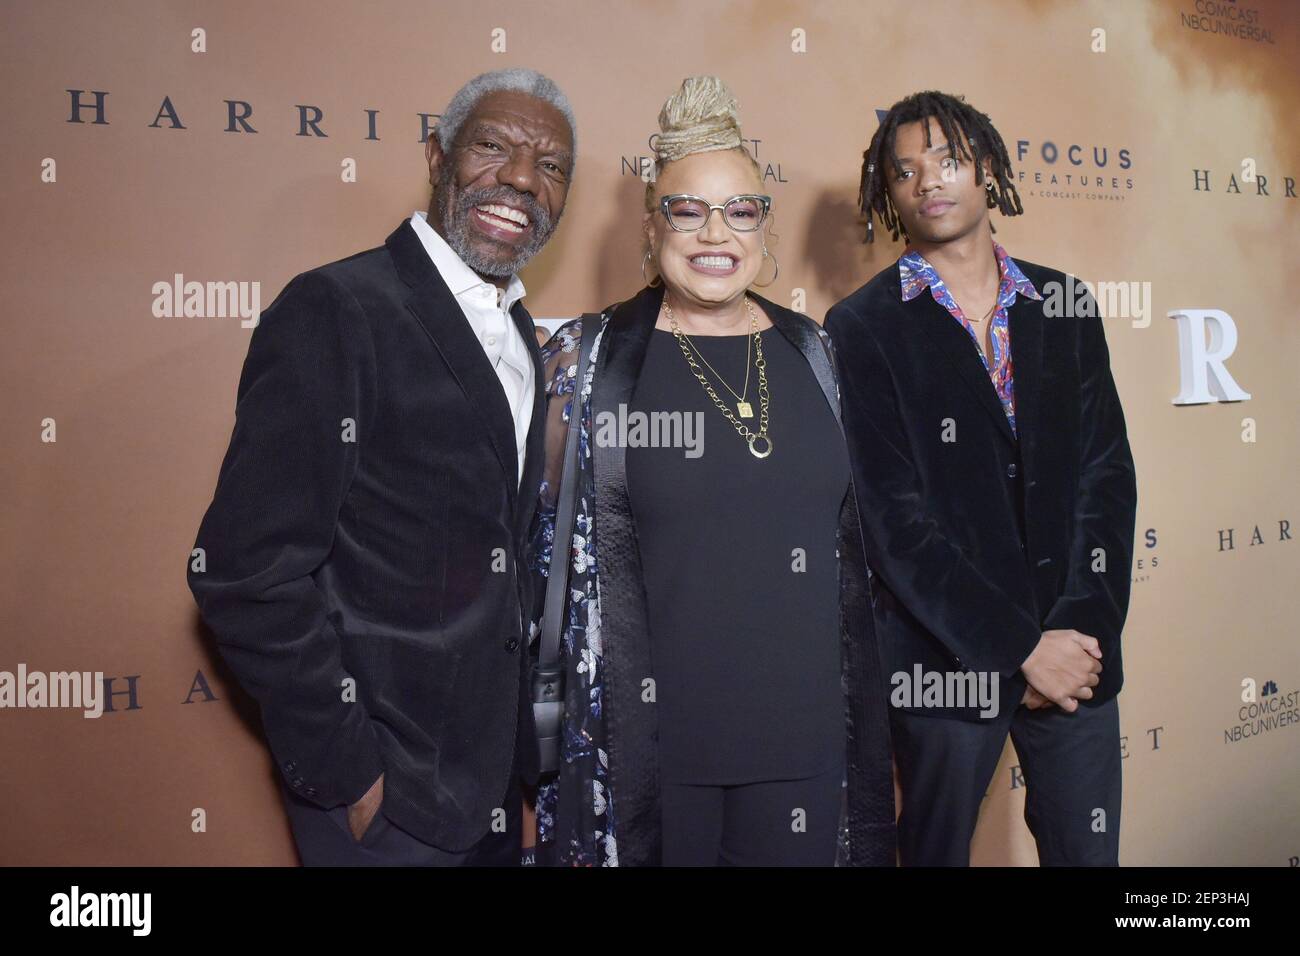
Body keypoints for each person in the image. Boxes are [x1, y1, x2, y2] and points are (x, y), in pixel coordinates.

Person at [186, 68, 576, 865]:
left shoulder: (521, 331)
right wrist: (350, 775)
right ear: (437, 156)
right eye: (492, 147)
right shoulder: (338, 308)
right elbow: (244, 571)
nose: (521, 180)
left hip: (489, 789)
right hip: (386, 800)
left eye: (552, 166)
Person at [527, 76, 896, 867]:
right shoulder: (586, 362)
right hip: (652, 754)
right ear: (653, 226)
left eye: (740, 210)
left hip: (805, 746)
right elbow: (536, 557)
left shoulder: (819, 354)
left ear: (765, 226)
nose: (714, 233)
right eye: (687, 210)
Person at [825, 90, 1137, 865]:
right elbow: (893, 524)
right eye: (905, 171)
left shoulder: (1063, 302)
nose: (928, 181)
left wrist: (1079, 633)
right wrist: (1019, 648)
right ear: (889, 195)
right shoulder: (860, 328)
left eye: (949, 160)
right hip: (944, 669)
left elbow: (1107, 477)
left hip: (1077, 653)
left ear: (988, 169)